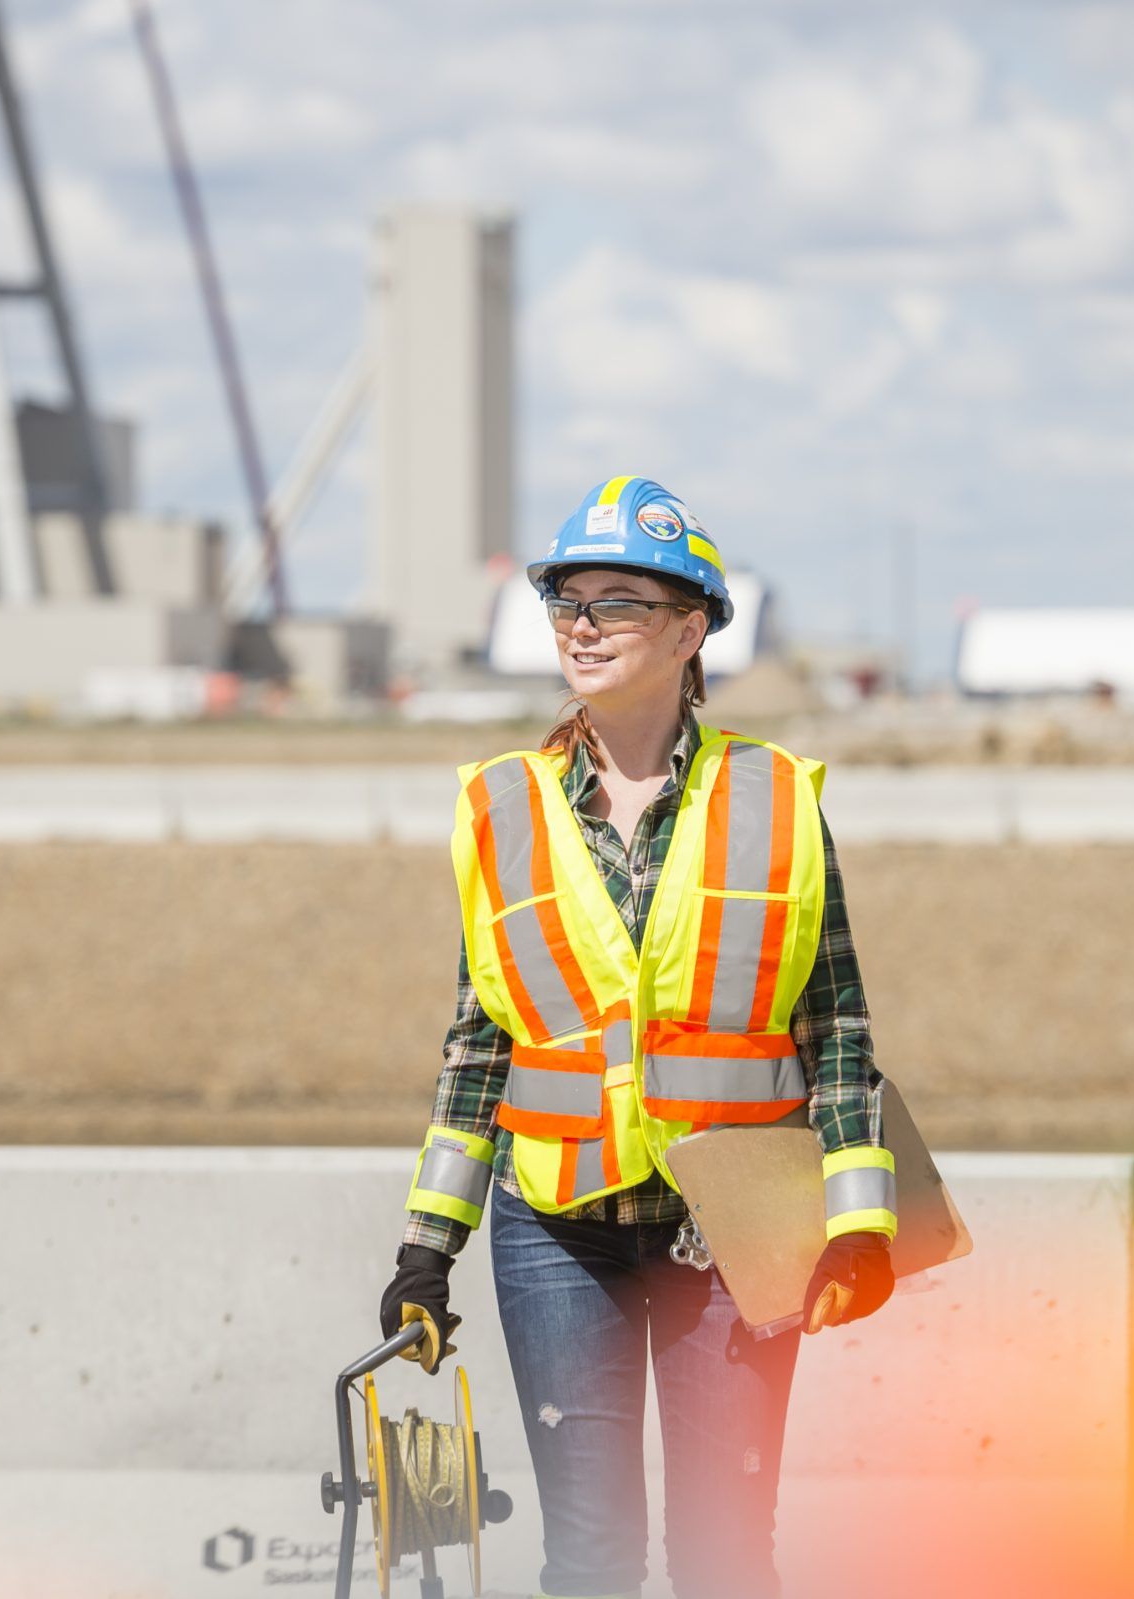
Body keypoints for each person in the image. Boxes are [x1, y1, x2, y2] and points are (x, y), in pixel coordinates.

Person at [380, 475, 899, 1599]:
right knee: (591, 1564)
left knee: (724, 1561)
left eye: (615, 600)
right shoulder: (500, 805)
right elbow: (481, 1044)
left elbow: (837, 1025)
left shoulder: (773, 797)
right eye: (567, 599)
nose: (580, 623)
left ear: (691, 628)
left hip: (737, 1232)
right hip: (555, 1227)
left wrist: (859, 1224)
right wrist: (428, 1247)